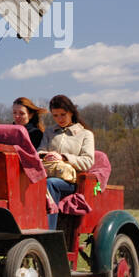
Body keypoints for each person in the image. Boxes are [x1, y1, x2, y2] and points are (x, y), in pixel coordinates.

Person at [39, 94, 94, 230]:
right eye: (55, 115)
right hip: (48, 173)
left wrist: (64, 157)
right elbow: (39, 152)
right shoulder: (49, 132)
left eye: (63, 114)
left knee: (51, 184)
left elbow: (88, 161)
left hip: (70, 181)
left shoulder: (85, 134)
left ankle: (48, 234)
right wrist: (47, 155)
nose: (59, 119)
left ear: (71, 112)